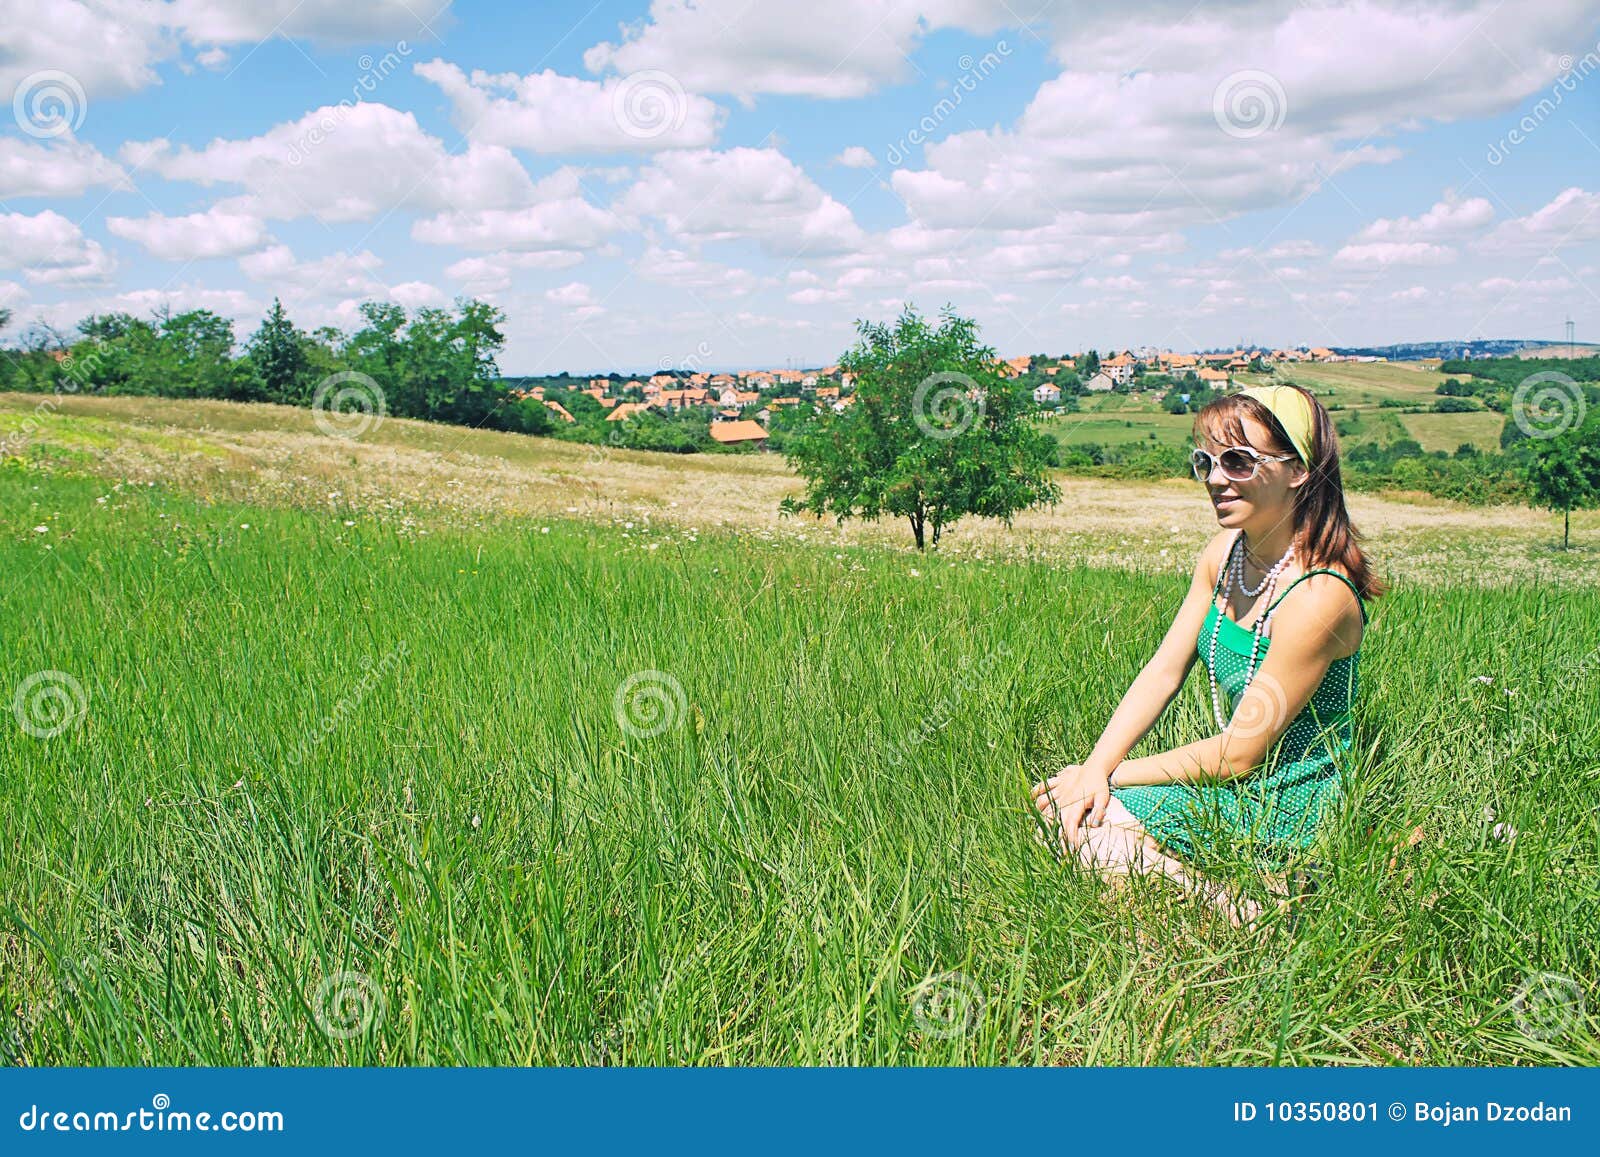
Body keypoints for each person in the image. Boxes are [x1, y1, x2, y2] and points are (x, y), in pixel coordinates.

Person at [1030, 382, 1385, 926]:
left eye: (1239, 461)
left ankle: (1249, 911)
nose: (1217, 479)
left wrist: (1108, 776)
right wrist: (1094, 767)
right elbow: (1163, 671)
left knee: (1088, 825)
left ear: (1299, 471)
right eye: (1207, 461)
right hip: (1234, 780)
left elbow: (1240, 754)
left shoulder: (1320, 596)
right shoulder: (1224, 554)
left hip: (1291, 797)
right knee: (1068, 815)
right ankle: (1230, 899)